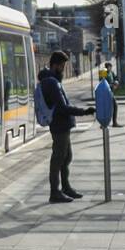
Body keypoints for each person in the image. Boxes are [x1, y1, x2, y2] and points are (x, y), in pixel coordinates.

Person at [38, 50, 95, 204]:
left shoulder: (53, 81)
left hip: (62, 125)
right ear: (55, 65)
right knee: (58, 159)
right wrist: (83, 112)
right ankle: (55, 192)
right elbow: (62, 107)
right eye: (62, 66)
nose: (63, 70)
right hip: (59, 126)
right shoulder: (52, 83)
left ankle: (66, 187)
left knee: (66, 157)